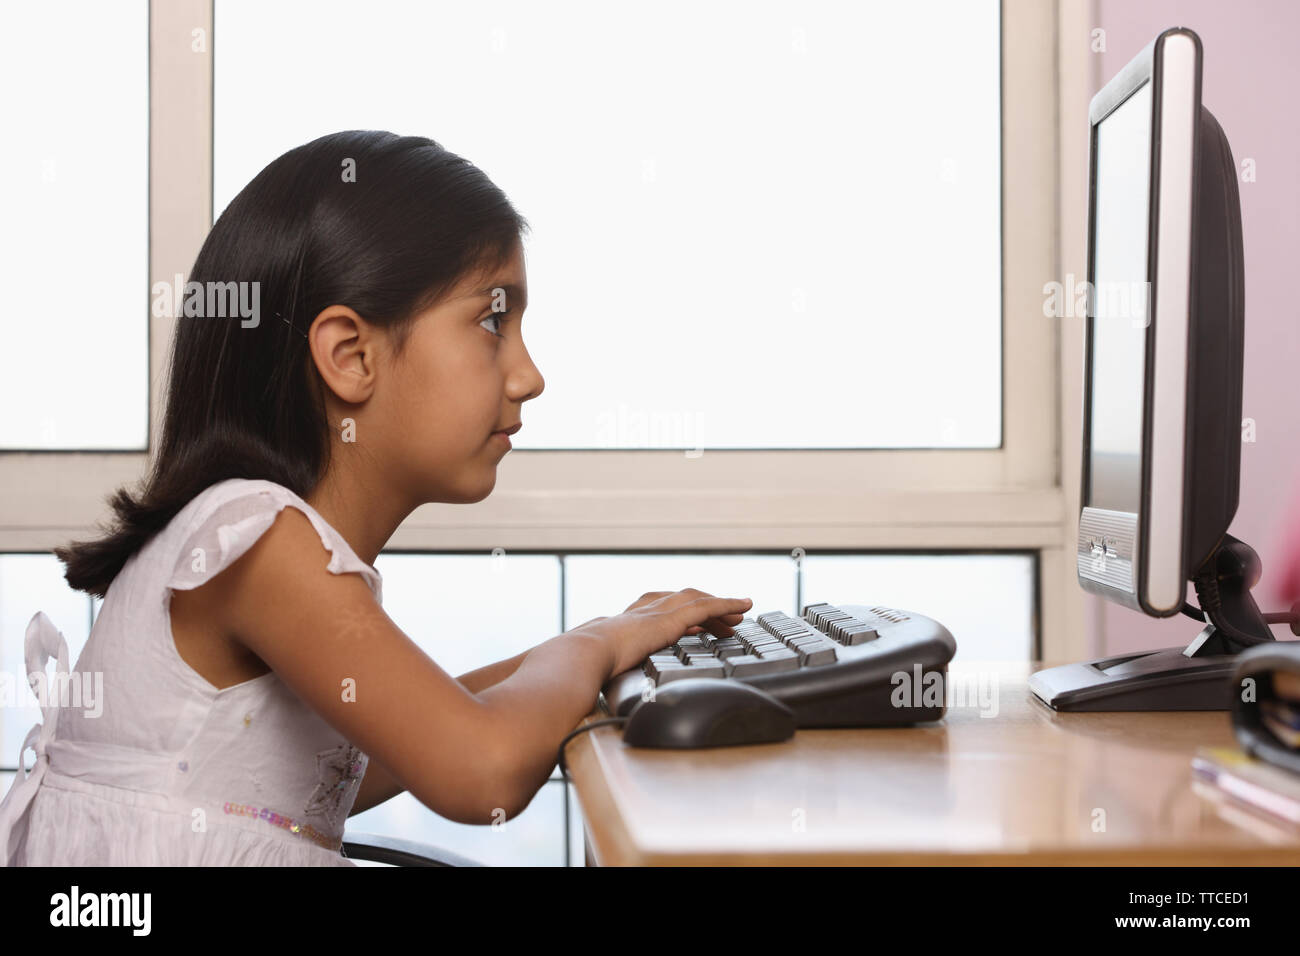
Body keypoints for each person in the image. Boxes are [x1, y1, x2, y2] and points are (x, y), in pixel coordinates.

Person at [0, 130, 750, 865]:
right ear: (350, 357)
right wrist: (591, 649)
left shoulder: (255, 537)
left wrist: (601, 642)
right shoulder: (252, 541)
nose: (529, 375)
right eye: (494, 320)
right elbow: (479, 766)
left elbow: (360, 762)